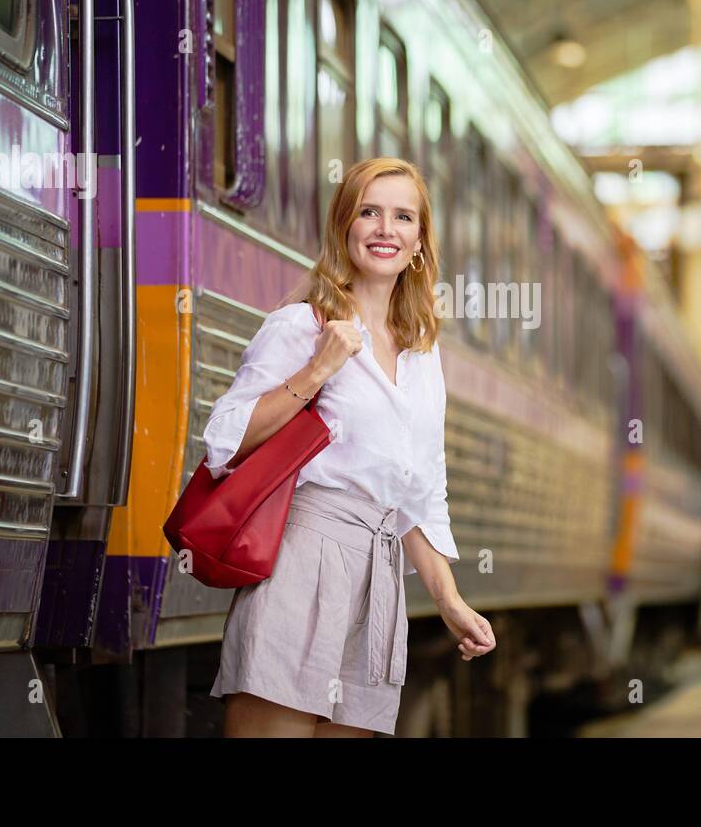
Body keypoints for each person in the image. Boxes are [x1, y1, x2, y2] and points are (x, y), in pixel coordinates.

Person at [205, 158, 495, 737]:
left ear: (418, 240)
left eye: (402, 217)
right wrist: (317, 370)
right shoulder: (301, 327)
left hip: (378, 578)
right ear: (345, 227)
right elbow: (224, 443)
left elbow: (419, 494)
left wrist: (450, 601)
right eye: (369, 212)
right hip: (301, 563)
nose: (386, 228)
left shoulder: (422, 354)